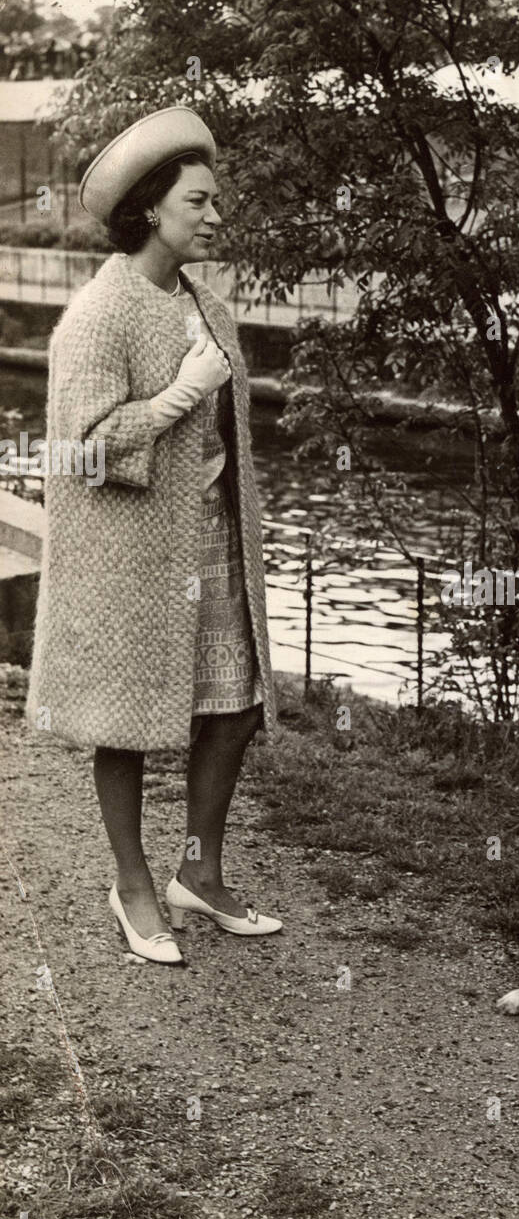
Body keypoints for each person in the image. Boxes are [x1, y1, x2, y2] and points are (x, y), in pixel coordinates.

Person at [27, 107, 282, 965]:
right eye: (200, 201)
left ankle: (197, 875)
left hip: (212, 539)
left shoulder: (209, 303)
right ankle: (133, 886)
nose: (216, 216)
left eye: (216, 201)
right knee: (126, 721)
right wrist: (179, 393)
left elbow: (226, 435)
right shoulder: (98, 313)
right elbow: (80, 450)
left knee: (237, 706)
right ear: (150, 209)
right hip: (134, 549)